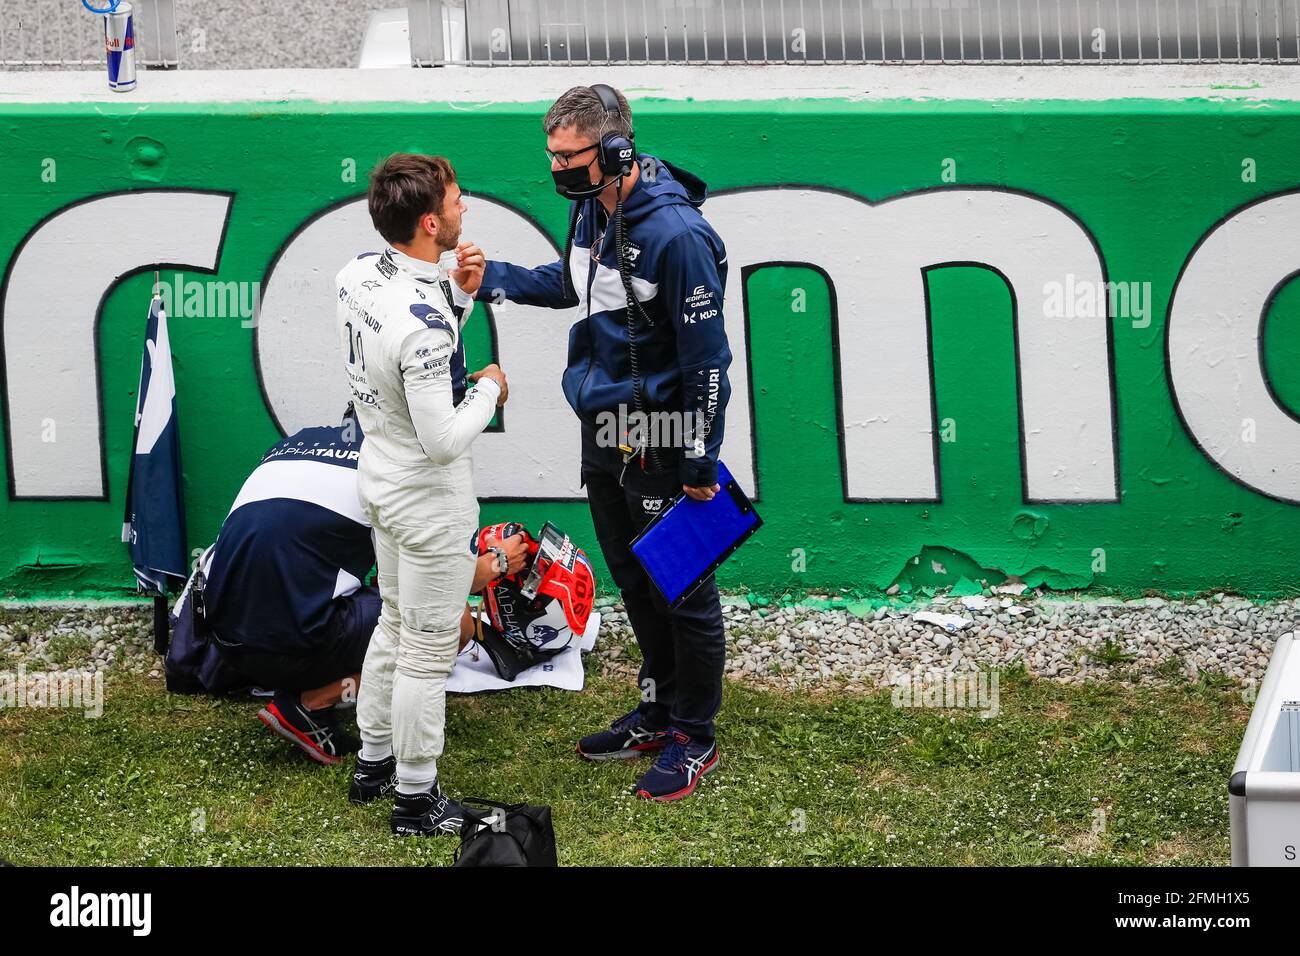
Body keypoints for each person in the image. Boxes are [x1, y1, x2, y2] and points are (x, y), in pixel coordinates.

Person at [475, 84, 732, 802]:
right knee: (632, 578)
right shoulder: (591, 210)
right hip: (605, 430)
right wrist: (491, 279)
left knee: (683, 587)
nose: (558, 171)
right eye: (551, 156)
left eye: (570, 157)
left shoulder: (677, 237)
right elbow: (576, 284)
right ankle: (657, 709)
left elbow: (707, 360)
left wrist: (699, 460)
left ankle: (694, 736)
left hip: (664, 435)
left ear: (616, 150)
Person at [171, 409, 528, 774]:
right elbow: (440, 584)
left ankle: (296, 672)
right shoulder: (393, 466)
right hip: (282, 646)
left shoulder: (297, 441)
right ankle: (310, 705)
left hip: (225, 639)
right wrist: (497, 561)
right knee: (452, 624)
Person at [335, 153, 508, 836]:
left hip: (379, 475)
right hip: (428, 496)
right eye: (458, 200)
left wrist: (458, 298)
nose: (466, 209)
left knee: (395, 624)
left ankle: (373, 762)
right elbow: (443, 437)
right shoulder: (424, 326)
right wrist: (492, 388)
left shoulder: (357, 273)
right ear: (431, 220)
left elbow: (411, 349)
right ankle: (415, 798)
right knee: (427, 649)